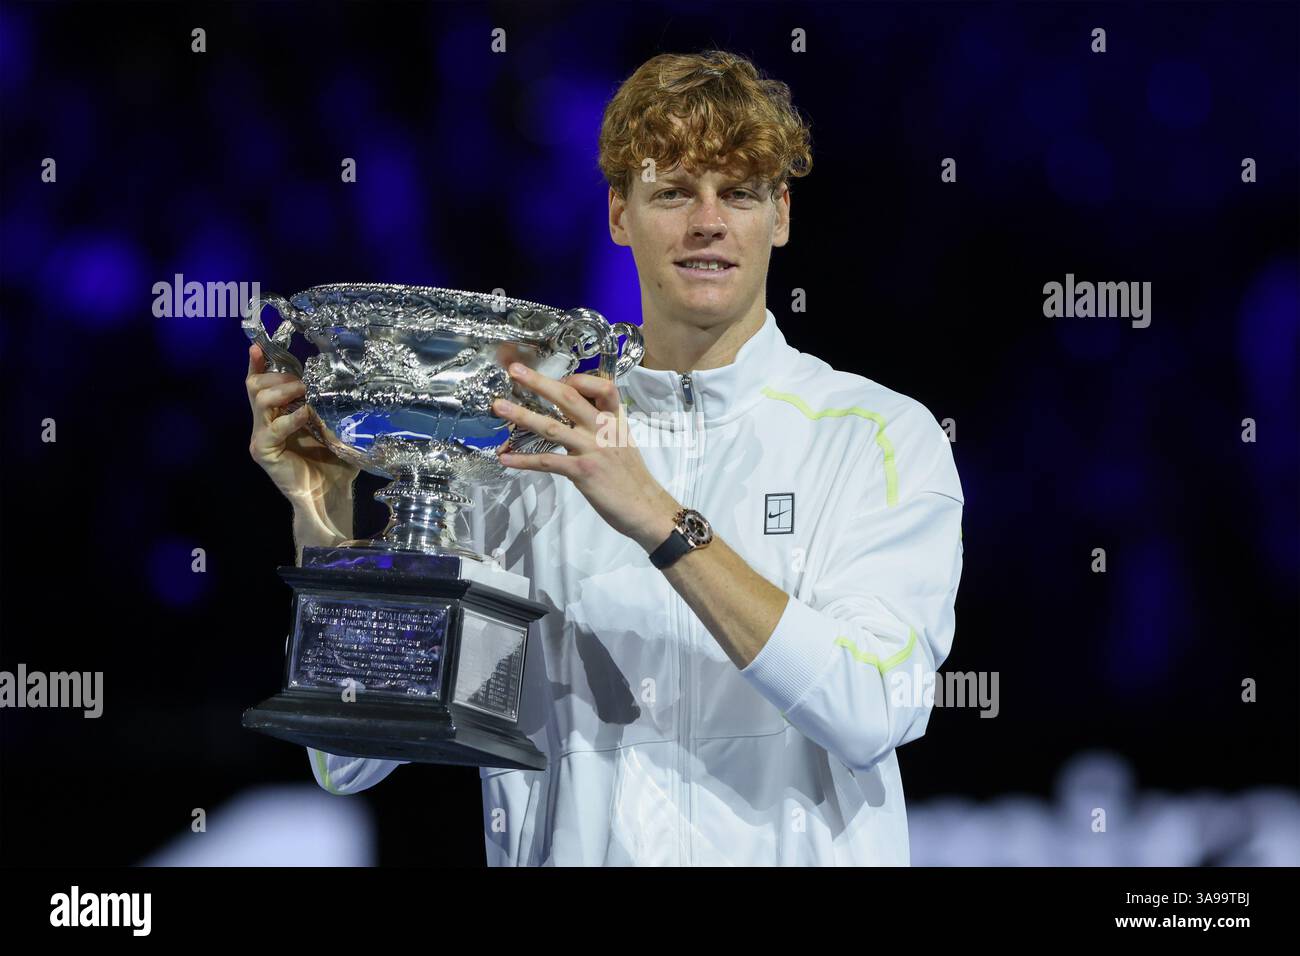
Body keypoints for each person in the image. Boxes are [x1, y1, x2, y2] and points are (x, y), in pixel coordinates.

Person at [246, 49, 964, 865]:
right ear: (619, 214)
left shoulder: (876, 436)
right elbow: (351, 755)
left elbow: (874, 708)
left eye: (737, 193)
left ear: (782, 214)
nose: (707, 222)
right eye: (672, 193)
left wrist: (659, 520)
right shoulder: (523, 442)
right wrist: (323, 513)